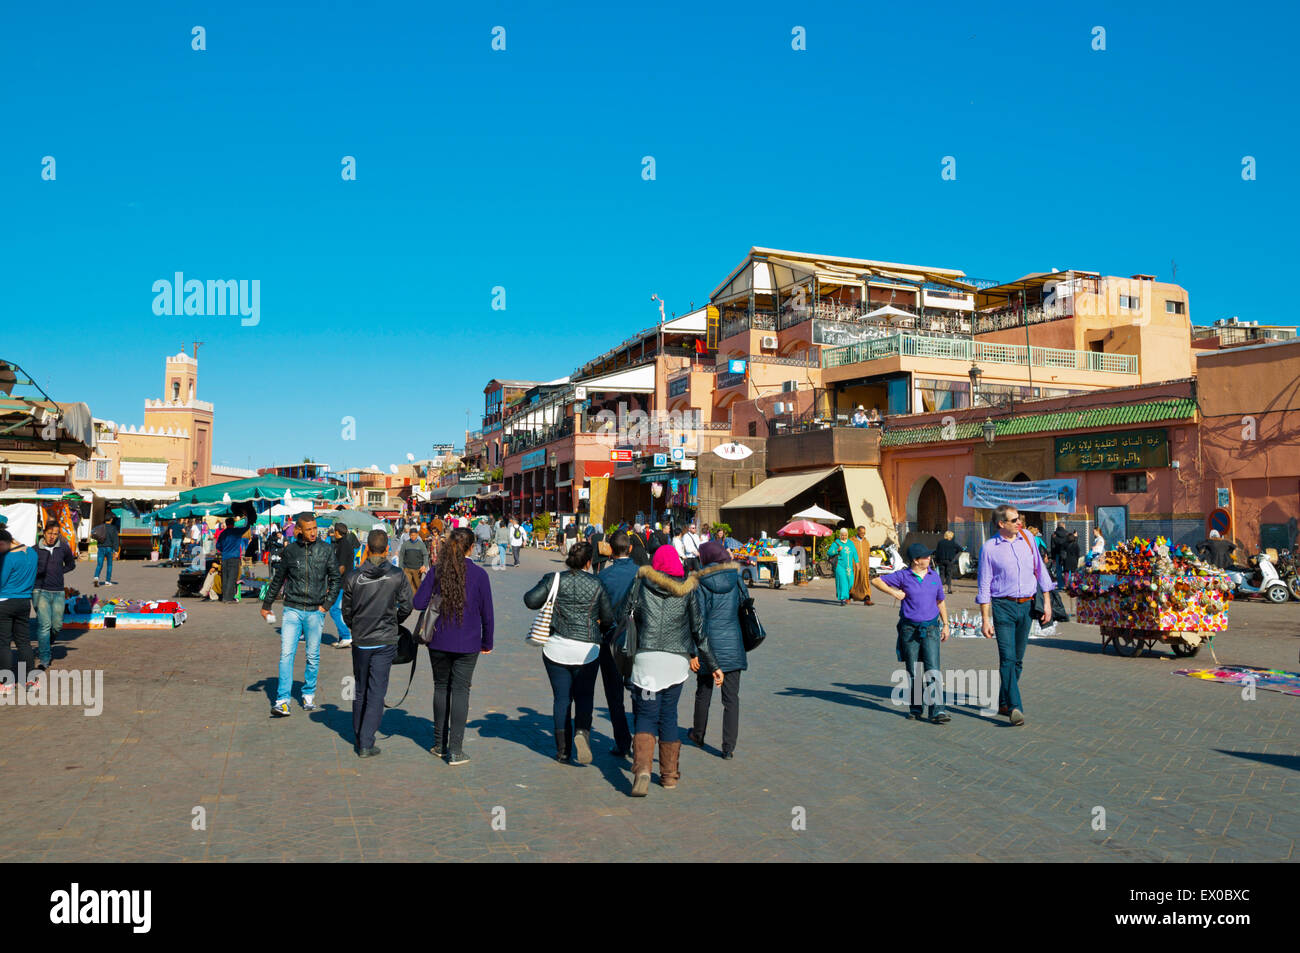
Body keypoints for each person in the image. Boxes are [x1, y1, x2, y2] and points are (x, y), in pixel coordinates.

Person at [624, 544, 720, 796]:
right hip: (675, 664)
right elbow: (699, 630)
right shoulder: (688, 590)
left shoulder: (641, 584)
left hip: (646, 661)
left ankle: (643, 770)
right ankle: (668, 776)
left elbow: (625, 614)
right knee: (668, 714)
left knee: (646, 714)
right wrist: (713, 665)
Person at [524, 541, 614, 765]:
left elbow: (530, 600)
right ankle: (582, 733)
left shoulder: (554, 579)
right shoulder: (597, 583)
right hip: (588, 649)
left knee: (561, 698)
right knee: (584, 696)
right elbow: (609, 619)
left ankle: (563, 751)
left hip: (557, 647)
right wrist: (598, 628)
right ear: (589, 562)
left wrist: (546, 587)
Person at [412, 527, 493, 764]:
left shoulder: (437, 572)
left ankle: (439, 744)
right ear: (471, 547)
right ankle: (456, 750)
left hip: (438, 639)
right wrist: (487, 642)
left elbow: (418, 603)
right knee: (460, 690)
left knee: (440, 687)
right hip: (468, 643)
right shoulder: (479, 575)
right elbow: (487, 614)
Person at [976, 504, 1054, 726]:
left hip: (1027, 607)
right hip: (1003, 607)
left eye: (1019, 519)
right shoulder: (989, 548)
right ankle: (1015, 706)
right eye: (1014, 520)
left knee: (1018, 660)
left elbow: (1041, 570)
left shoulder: (1028, 538)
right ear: (1001, 524)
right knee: (1007, 658)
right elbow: (984, 585)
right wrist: (985, 619)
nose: (1019, 523)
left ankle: (1003, 700)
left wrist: (1047, 603)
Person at [341, 530, 414, 758]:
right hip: (384, 639)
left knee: (360, 687)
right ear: (386, 550)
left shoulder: (353, 576)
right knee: (376, 690)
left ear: (368, 549)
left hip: (362, 639)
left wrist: (357, 626)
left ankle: (359, 732)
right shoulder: (396, 575)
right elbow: (407, 605)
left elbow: (346, 611)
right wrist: (394, 621)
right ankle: (365, 741)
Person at [261, 512, 341, 716]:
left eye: (315, 528)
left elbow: (335, 580)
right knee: (286, 654)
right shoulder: (291, 552)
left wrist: (326, 605)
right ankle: (282, 700)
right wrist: (267, 604)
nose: (314, 532)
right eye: (309, 529)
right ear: (299, 530)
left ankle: (308, 694)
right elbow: (279, 579)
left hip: (316, 610)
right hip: (292, 609)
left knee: (312, 656)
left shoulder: (326, 550)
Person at [873, 543, 950, 724]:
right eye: (926, 556)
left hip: (931, 628)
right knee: (913, 670)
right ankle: (916, 708)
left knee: (933, 669)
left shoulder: (934, 576)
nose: (929, 558)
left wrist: (946, 624)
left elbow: (940, 601)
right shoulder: (903, 576)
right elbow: (876, 580)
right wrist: (894, 592)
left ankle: (937, 710)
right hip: (909, 630)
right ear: (916, 560)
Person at [687, 543, 747, 758]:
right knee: (731, 698)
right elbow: (744, 606)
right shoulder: (736, 577)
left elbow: (698, 619)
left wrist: (694, 651)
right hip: (733, 644)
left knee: (704, 692)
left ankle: (698, 734)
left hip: (708, 645)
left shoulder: (700, 582)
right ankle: (728, 748)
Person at [596, 531, 638, 758]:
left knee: (614, 695)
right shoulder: (641, 574)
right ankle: (641, 740)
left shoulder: (604, 576)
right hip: (635, 641)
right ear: (629, 548)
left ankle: (622, 741)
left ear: (611, 550)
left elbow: (598, 610)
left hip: (610, 640)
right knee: (639, 692)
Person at [33, 521, 77, 671]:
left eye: (55, 534)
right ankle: (45, 658)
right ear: (44, 533)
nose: (52, 537)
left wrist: (59, 572)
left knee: (57, 625)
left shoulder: (63, 548)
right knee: (44, 625)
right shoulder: (34, 550)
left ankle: (46, 644)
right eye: (50, 533)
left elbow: (71, 565)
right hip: (40, 591)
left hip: (58, 591)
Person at [0, 529, 39, 690]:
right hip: (24, 602)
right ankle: (30, 680)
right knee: (24, 642)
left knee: (4, 643)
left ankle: (6, 682)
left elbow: (1, 582)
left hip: (5, 602)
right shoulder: (32, 553)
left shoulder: (8, 558)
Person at [329, 522, 360, 648]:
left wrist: (332, 579)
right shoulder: (344, 543)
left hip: (342, 582)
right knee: (341, 610)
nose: (333, 534)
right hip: (346, 581)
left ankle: (346, 635)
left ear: (337, 532)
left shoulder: (343, 545)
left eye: (334, 531)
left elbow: (341, 567)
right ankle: (342, 637)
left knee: (334, 609)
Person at [215, 516, 246, 604]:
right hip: (234, 557)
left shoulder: (222, 533)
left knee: (225, 577)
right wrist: (246, 516)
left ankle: (225, 596)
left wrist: (224, 550)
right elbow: (247, 526)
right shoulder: (237, 531)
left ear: (226, 523)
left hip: (225, 557)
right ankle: (229, 598)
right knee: (232, 578)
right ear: (233, 523)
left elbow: (218, 546)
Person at [825, 527, 859, 605]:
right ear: (840, 535)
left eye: (845, 535)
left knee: (850, 582)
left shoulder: (850, 543)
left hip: (849, 567)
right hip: (839, 566)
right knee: (842, 581)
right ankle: (843, 598)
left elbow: (855, 553)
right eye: (842, 535)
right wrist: (837, 550)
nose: (844, 537)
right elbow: (829, 552)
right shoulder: (836, 543)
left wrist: (857, 563)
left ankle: (844, 595)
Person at [398, 526, 430, 595]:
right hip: (407, 569)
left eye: (414, 535)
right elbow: (401, 555)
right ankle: (410, 601)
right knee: (407, 585)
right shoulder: (405, 544)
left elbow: (425, 555)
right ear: (409, 535)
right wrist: (401, 567)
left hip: (418, 569)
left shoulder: (421, 544)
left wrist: (424, 565)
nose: (413, 536)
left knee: (417, 585)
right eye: (411, 535)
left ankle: (418, 600)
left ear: (417, 535)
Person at [90, 512, 119, 587]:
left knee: (99, 564)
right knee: (109, 565)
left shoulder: (100, 527)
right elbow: (115, 540)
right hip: (109, 548)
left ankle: (96, 578)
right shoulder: (113, 528)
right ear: (111, 519)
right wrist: (116, 551)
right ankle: (107, 581)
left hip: (101, 548)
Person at [848, 526, 875, 605]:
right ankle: (848, 597)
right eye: (862, 532)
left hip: (864, 566)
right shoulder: (851, 541)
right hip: (853, 565)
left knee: (865, 582)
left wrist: (868, 566)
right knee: (853, 581)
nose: (863, 534)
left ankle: (867, 598)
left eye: (864, 533)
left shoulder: (866, 542)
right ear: (858, 532)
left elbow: (867, 554)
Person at [933, 530, 963, 595]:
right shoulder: (953, 543)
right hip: (950, 561)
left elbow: (937, 552)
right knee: (949, 574)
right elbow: (960, 549)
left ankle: (940, 589)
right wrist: (954, 554)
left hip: (941, 560)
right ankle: (949, 589)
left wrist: (936, 560)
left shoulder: (940, 542)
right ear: (951, 536)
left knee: (942, 574)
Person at [1049, 523, 1072, 588]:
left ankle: (1060, 585)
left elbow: (1052, 546)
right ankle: (1067, 584)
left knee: (1058, 570)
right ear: (1064, 526)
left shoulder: (1054, 535)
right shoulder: (1068, 534)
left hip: (1057, 554)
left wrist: (1053, 557)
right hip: (1066, 554)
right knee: (1067, 569)